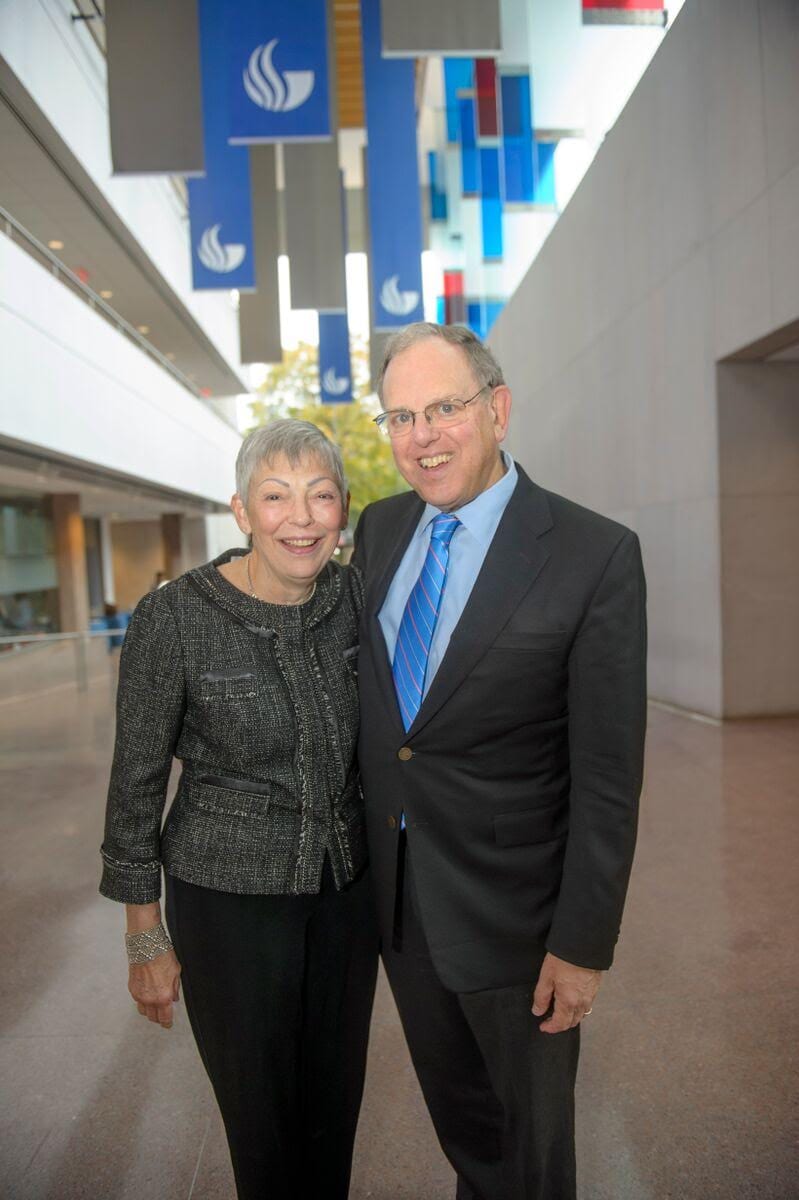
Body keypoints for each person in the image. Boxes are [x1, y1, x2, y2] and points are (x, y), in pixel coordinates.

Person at [352, 323, 647, 1200]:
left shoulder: (594, 555)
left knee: (531, 1157)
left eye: (443, 408)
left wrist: (582, 945)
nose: (421, 437)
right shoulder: (378, 529)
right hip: (401, 907)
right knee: (466, 1137)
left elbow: (605, 777)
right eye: (399, 417)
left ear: (498, 410)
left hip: (521, 926)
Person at [100, 419, 378, 1200]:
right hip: (228, 907)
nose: (301, 516)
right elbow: (135, 789)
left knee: (334, 1109)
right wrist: (143, 938)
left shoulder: (355, 595)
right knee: (262, 1125)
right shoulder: (174, 619)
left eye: (320, 496)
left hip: (344, 900)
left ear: (343, 508)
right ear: (241, 511)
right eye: (277, 496)